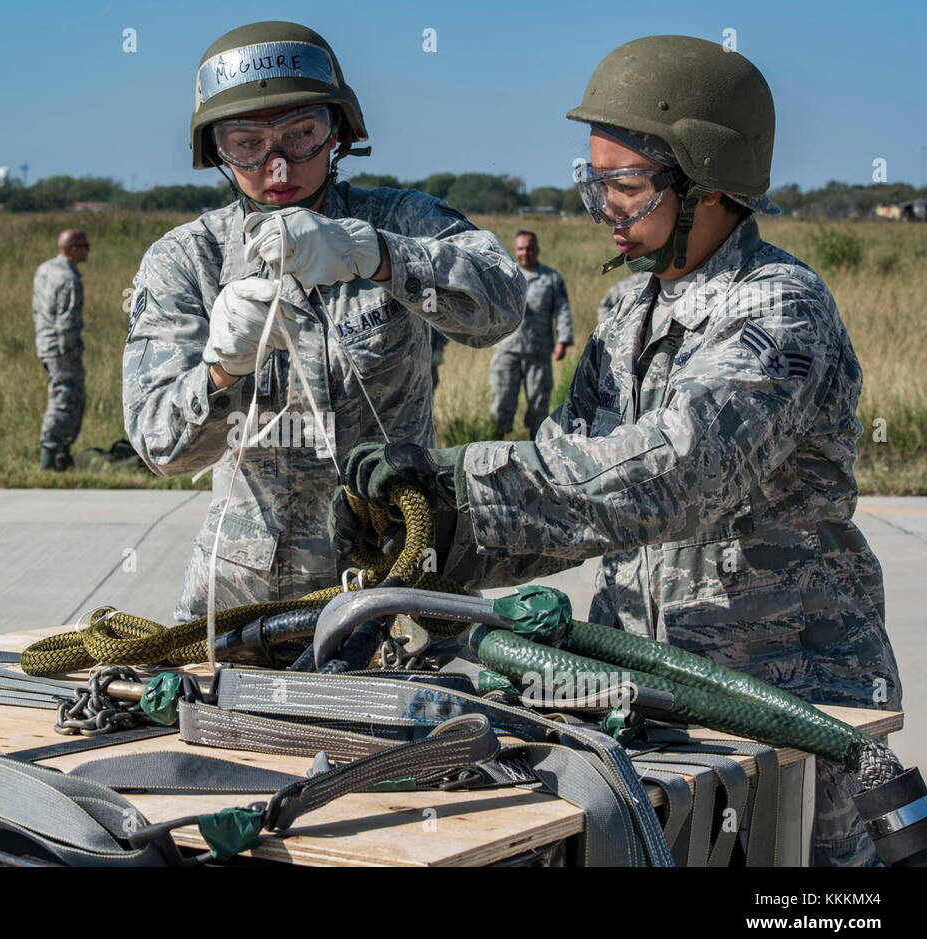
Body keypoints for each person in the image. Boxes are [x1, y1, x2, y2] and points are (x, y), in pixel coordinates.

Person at [333, 35, 901, 866]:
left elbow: (676, 473)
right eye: (593, 182)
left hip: (791, 709)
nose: (603, 207)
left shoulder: (780, 310)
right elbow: (567, 480)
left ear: (706, 182)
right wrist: (428, 539)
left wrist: (460, 480)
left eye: (626, 186)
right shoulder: (627, 310)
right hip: (653, 705)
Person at [124, 20, 525, 622]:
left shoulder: (401, 219)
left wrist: (383, 255)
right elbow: (159, 444)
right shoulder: (188, 260)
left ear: (337, 132)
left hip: (400, 577)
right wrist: (220, 372)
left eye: (301, 134)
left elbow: (499, 307)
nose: (278, 165)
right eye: (248, 144)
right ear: (217, 154)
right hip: (248, 600)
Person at [488, 230, 573, 439]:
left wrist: (563, 340)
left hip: (539, 352)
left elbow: (562, 309)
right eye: (520, 248)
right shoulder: (504, 276)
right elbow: (488, 306)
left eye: (529, 248)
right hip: (507, 350)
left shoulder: (551, 278)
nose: (524, 252)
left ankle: (537, 450)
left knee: (538, 405)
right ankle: (493, 445)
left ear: (537, 249)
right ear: (514, 250)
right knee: (501, 402)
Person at [34, 229, 88, 470]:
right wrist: (70, 353)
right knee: (65, 399)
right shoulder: (68, 279)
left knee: (64, 397)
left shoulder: (45, 269)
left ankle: (61, 456)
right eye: (85, 245)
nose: (89, 250)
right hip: (61, 348)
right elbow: (66, 321)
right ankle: (50, 455)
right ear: (73, 249)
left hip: (45, 343)